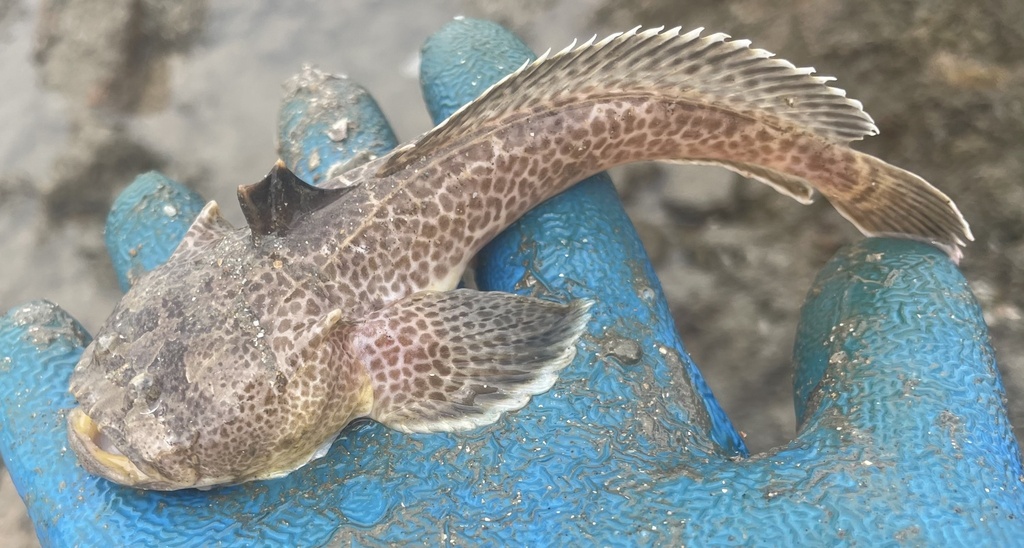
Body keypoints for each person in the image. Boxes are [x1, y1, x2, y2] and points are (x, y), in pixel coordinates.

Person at [1, 17, 1020, 545]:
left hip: (436, 206)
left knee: (607, 111)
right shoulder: (236, 281)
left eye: (163, 450)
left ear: (360, 362)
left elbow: (503, 350)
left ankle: (838, 167)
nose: (105, 434)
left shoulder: (367, 349)